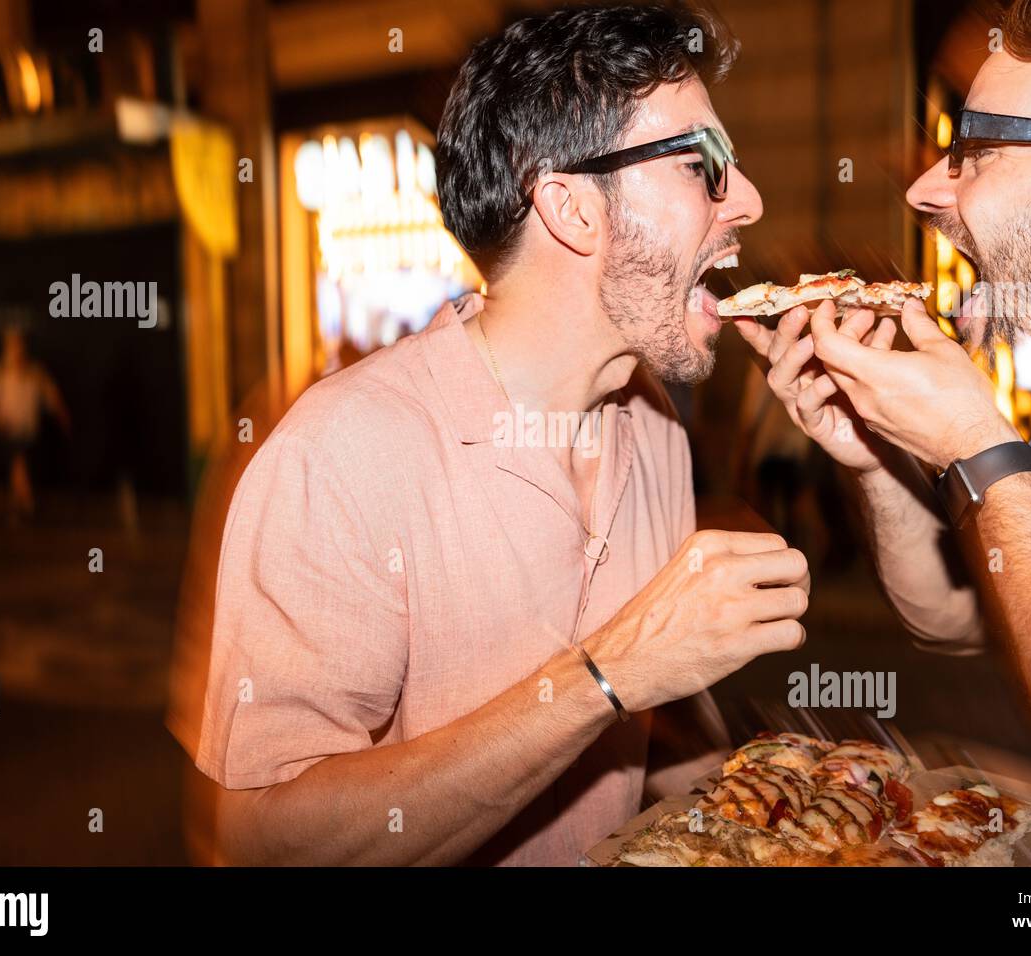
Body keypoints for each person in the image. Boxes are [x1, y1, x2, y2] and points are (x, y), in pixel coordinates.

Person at [191, 4, 809, 866]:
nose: (747, 199)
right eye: (702, 163)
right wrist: (608, 672)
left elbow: (646, 750)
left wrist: (798, 796)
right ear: (571, 209)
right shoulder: (340, 454)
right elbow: (268, 844)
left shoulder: (657, 429)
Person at [745, 0, 1031, 864]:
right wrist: (873, 454)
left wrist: (978, 448)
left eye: (976, 147)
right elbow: (957, 615)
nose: (922, 189)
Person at [0, 328, 69, 517]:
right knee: (19, 460)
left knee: (22, 460)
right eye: (12, 348)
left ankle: (19, 501)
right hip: (6, 433)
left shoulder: (36, 374)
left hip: (31, 435)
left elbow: (53, 398)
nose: (17, 352)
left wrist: (64, 418)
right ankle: (26, 501)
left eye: (20, 347)